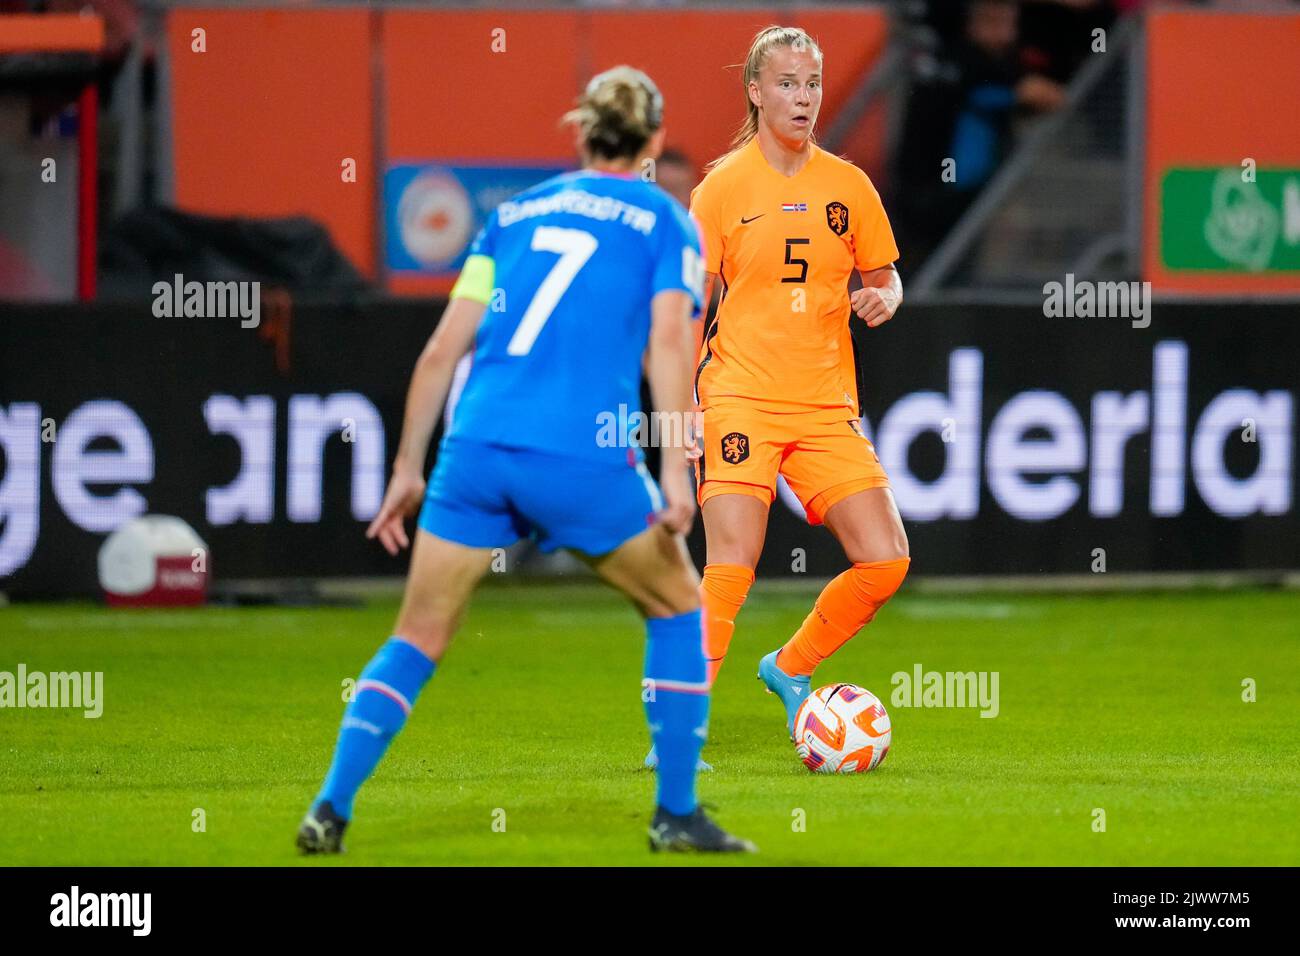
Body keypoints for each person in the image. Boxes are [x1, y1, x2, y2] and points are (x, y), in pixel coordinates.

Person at [296, 66, 755, 855]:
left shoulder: (512, 215)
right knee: (679, 605)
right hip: (582, 452)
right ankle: (676, 814)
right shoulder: (666, 223)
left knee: (420, 633)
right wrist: (678, 473)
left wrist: (408, 467)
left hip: (475, 448)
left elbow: (444, 347)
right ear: (650, 141)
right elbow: (670, 346)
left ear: (580, 133)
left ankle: (330, 808)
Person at [687, 26, 910, 737]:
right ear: (755, 92)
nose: (804, 98)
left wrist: (888, 296)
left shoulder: (848, 186)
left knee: (886, 561)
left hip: (823, 404)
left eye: (812, 83)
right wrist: (685, 405)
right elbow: (694, 302)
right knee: (733, 561)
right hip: (740, 397)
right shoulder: (721, 189)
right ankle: (680, 730)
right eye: (788, 83)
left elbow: (884, 274)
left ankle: (790, 665)